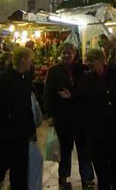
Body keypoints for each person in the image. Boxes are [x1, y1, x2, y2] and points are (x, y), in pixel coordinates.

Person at [75, 48, 116, 190]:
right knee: (100, 166)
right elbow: (80, 102)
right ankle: (105, 183)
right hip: (96, 130)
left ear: (101, 60)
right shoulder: (86, 79)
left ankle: (112, 181)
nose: (89, 64)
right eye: (87, 61)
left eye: (92, 60)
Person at [0, 47, 36, 190]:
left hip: (20, 136)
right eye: (30, 59)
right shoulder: (2, 80)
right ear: (23, 60)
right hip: (2, 136)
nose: (31, 63)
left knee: (20, 175)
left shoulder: (25, 78)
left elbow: (27, 107)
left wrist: (31, 130)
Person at [44, 43, 95, 188]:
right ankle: (64, 175)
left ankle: (87, 177)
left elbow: (87, 90)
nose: (66, 56)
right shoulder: (54, 71)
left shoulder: (82, 69)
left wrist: (73, 96)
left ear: (74, 54)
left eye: (69, 53)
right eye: (64, 53)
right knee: (65, 148)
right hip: (63, 115)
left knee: (83, 148)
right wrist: (50, 114)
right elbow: (48, 93)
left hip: (80, 116)